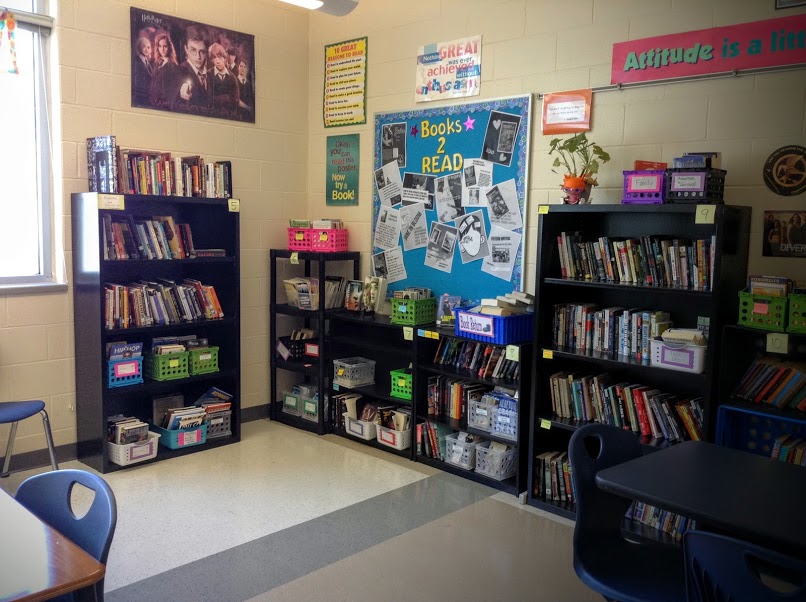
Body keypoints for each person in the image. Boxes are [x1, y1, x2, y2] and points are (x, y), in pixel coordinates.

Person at [174, 25, 210, 108]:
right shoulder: (178, 72)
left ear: (206, 52)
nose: (198, 57)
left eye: (202, 51)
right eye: (193, 50)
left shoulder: (210, 74)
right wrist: (182, 93)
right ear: (186, 49)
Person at [149, 31, 180, 109]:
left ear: (169, 47)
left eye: (165, 46)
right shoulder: (156, 63)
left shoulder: (173, 66)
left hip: (164, 105)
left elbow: (173, 92)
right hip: (152, 103)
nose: (162, 49)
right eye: (160, 46)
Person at [208, 42, 239, 109]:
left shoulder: (232, 77)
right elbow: (207, 99)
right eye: (214, 58)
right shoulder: (208, 75)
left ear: (224, 58)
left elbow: (236, 100)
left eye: (219, 57)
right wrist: (227, 98)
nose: (217, 61)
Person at [132, 34, 153, 106]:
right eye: (144, 47)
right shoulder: (137, 62)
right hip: (140, 96)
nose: (146, 49)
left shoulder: (148, 62)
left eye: (148, 47)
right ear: (139, 47)